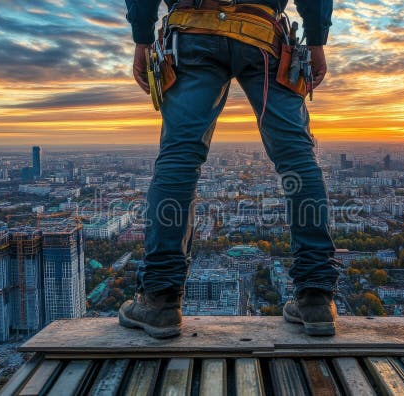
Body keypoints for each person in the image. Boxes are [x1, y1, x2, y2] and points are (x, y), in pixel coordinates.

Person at [119, 0, 341, 338]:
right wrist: (316, 41)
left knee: (179, 158)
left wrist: (142, 38)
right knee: (297, 159)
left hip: (192, 33)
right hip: (264, 33)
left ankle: (160, 299)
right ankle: (316, 297)